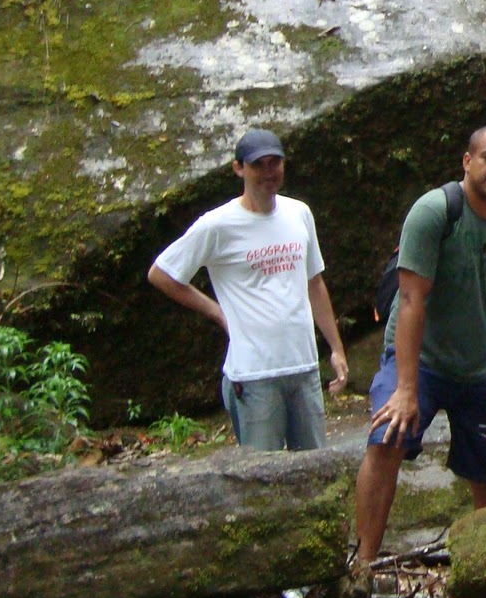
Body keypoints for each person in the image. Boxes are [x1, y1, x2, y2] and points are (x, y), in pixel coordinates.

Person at [354, 125, 486, 571]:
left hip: (478, 371)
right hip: (422, 360)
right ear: (467, 161)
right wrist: (406, 389)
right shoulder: (435, 211)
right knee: (387, 439)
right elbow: (412, 298)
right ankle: (361, 566)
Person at [148, 128, 347, 451]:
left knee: (313, 471)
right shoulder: (218, 224)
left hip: (304, 367)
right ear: (239, 168)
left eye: (275, 163)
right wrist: (217, 312)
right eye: (259, 165)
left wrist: (335, 348)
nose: (269, 173)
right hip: (254, 374)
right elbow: (162, 273)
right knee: (260, 478)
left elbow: (314, 283)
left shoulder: (299, 213)